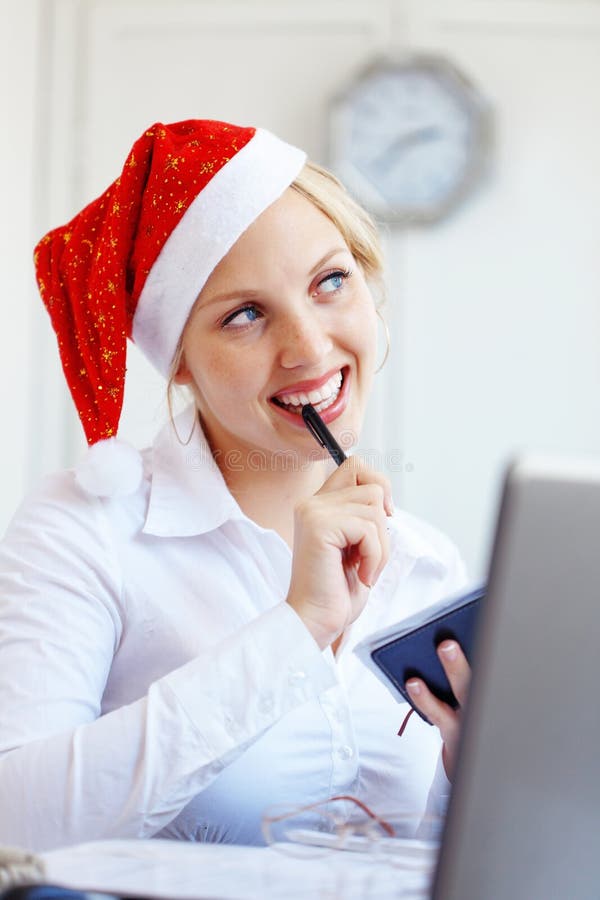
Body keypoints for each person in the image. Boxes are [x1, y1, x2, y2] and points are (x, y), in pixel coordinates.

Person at [0, 119, 470, 852]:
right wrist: (296, 629)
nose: (310, 348)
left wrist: (468, 777)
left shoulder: (428, 564)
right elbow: (15, 820)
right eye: (244, 315)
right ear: (179, 360)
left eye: (330, 281)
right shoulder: (85, 529)